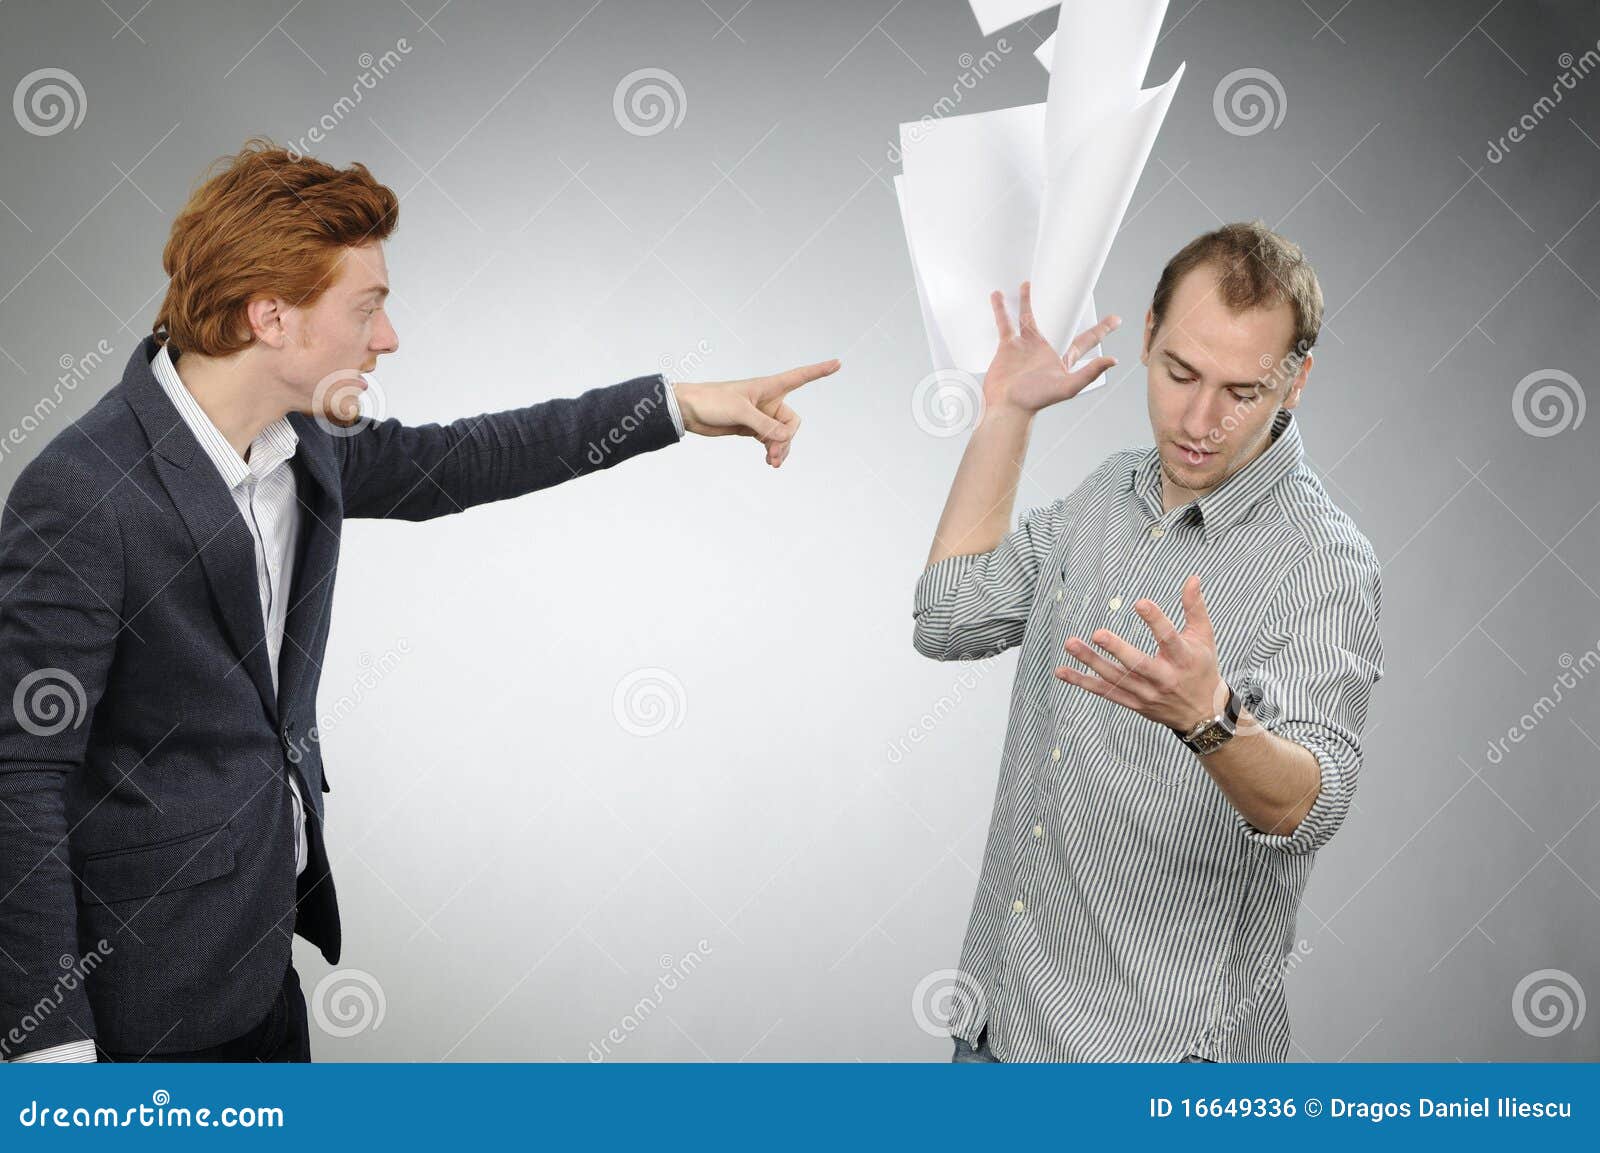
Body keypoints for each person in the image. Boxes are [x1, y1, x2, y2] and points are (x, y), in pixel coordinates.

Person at [0, 139, 837, 1062]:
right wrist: (49, 1045)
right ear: (270, 316)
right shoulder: (84, 492)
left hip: (258, 967)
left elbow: (467, 458)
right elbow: (19, 773)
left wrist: (674, 405)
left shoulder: (302, 444)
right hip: (129, 1015)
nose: (387, 338)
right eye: (366, 308)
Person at [915, 221, 1384, 1062]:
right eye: (1180, 373)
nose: (1200, 419)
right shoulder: (1108, 493)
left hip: (1157, 1060)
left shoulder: (1324, 561)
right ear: (1147, 339)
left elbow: (1311, 807)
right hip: (998, 1025)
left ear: (1296, 381)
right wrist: (1007, 413)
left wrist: (1210, 720)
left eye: (1242, 391)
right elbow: (947, 616)